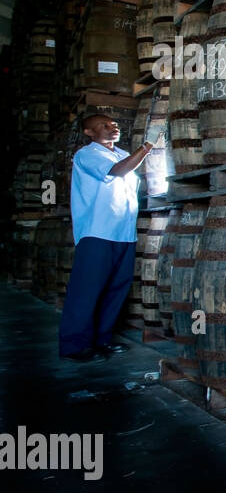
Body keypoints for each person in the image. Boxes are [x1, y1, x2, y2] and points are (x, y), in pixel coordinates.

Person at [58, 114, 159, 362]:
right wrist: (147, 146)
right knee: (87, 290)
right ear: (89, 132)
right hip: (97, 232)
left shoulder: (122, 153)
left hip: (124, 233)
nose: (112, 127)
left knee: (116, 290)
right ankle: (74, 345)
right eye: (104, 125)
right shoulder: (87, 154)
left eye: (114, 124)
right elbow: (117, 172)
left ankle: (102, 340)